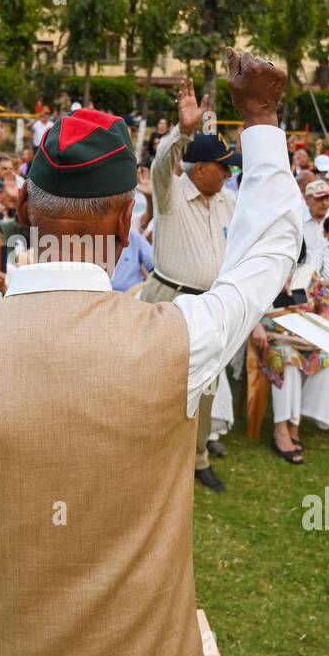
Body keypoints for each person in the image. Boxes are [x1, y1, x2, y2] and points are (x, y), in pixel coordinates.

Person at [0, 51, 301, 656]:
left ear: (25, 205)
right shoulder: (181, 338)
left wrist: (11, 625)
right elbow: (270, 250)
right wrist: (261, 116)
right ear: (124, 222)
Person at [145, 93, 242, 492]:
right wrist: (182, 132)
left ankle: (198, 458)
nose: (227, 174)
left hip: (209, 304)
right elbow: (160, 167)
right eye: (222, 168)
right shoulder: (171, 195)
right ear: (200, 168)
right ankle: (149, 455)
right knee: (154, 381)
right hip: (168, 299)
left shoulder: (228, 201)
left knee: (206, 386)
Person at [252, 266, 329, 465]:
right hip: (272, 338)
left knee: (328, 360)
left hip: (307, 335)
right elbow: (247, 304)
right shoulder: (264, 268)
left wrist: (320, 327)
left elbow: (327, 305)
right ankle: (281, 429)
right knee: (286, 360)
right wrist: (256, 325)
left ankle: (295, 424)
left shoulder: (308, 273)